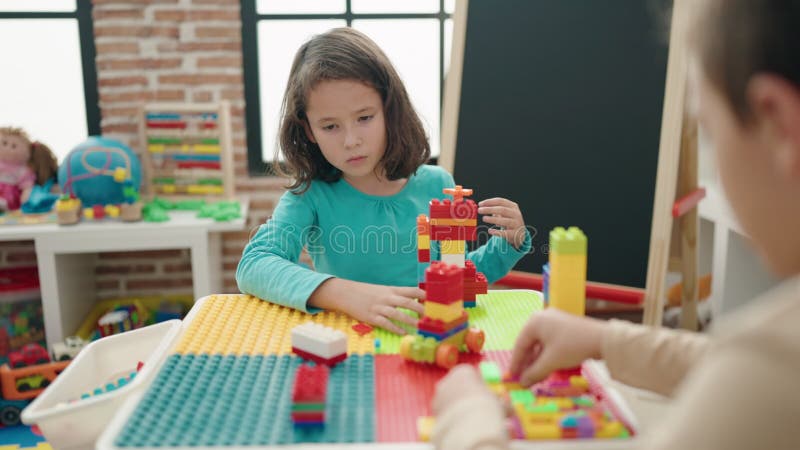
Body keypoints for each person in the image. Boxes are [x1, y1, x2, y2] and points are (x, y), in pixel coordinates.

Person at [432, 0, 800, 448]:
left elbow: (753, 369)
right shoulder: (768, 354)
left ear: (778, 123)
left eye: (708, 128)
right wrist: (604, 339)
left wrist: (466, 414)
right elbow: (731, 364)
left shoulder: (775, 356)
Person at [236, 28, 531, 335]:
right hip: (350, 345)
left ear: (389, 110)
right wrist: (345, 294)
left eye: (365, 118)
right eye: (330, 126)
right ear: (309, 131)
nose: (352, 141)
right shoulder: (310, 195)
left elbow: (457, 280)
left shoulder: (438, 185)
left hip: (427, 342)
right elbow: (254, 265)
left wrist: (505, 246)